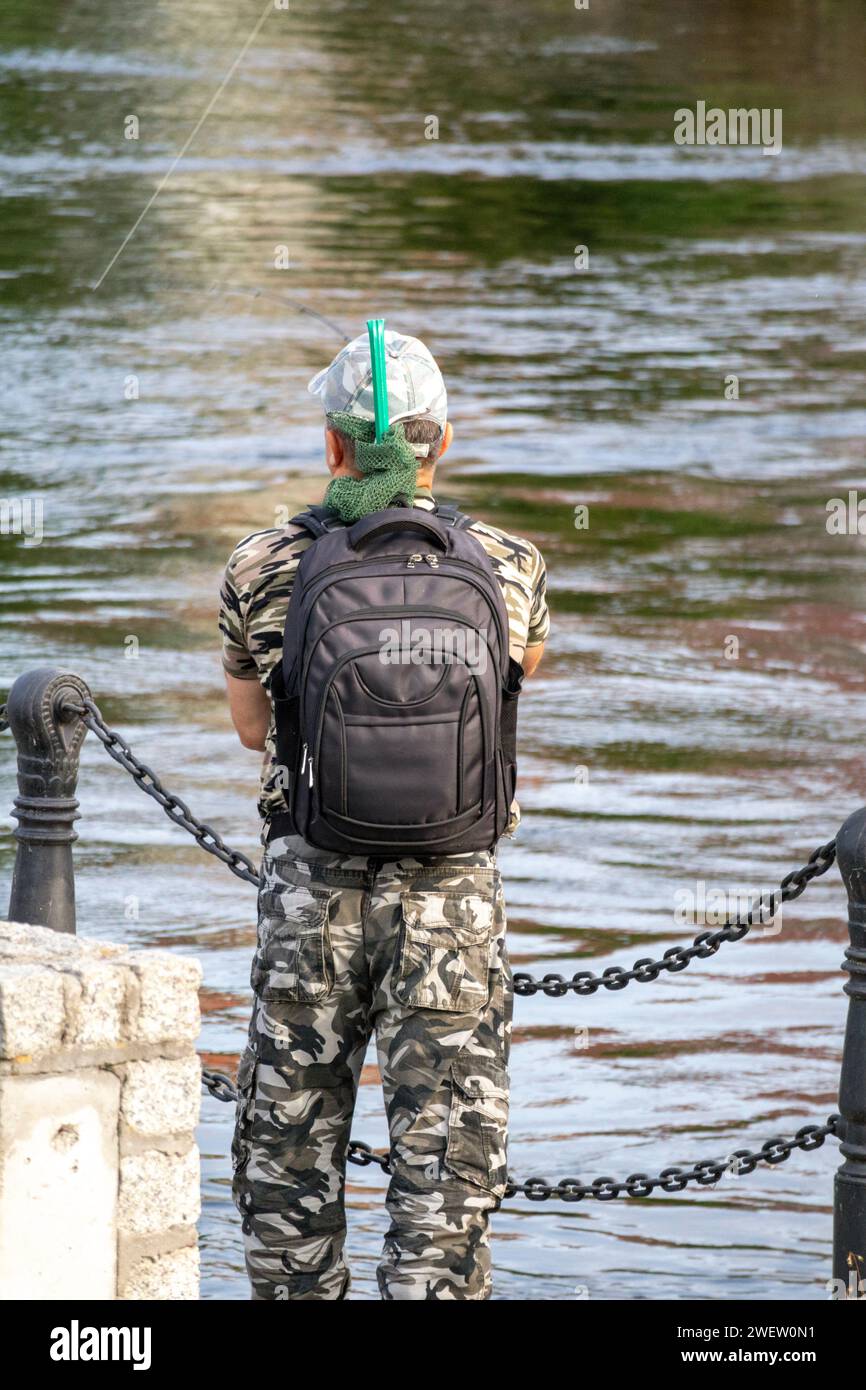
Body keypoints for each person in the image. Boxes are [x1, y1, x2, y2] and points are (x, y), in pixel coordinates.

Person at [219, 328, 549, 1300]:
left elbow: (250, 730)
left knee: (286, 1157)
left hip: (308, 896)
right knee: (445, 1172)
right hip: (452, 899)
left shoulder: (259, 566)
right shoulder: (510, 567)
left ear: (332, 448)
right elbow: (509, 693)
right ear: (440, 440)